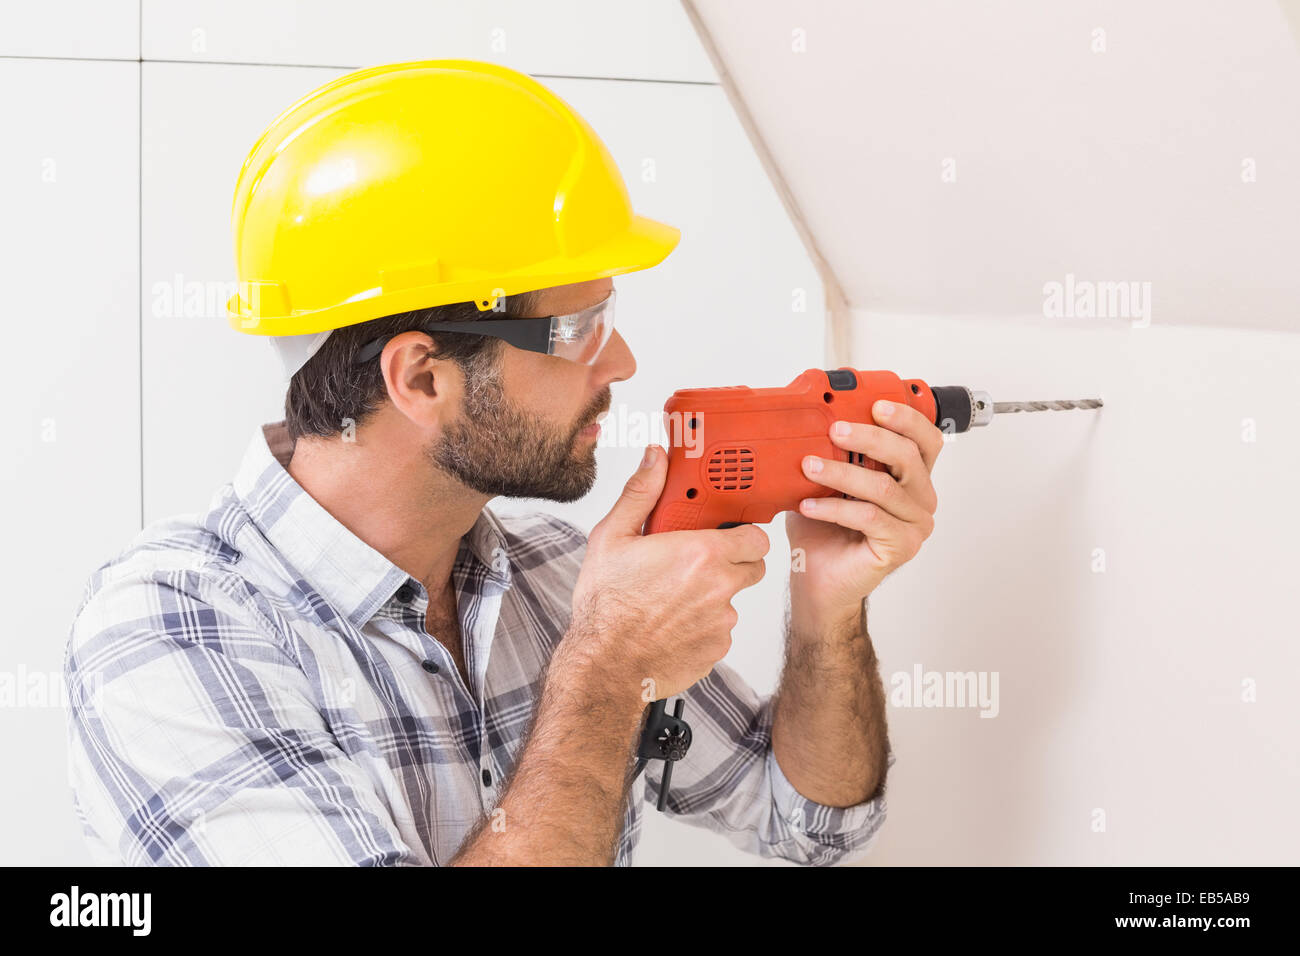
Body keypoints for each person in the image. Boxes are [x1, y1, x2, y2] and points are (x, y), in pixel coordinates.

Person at [64, 60, 942, 866]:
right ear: (421, 377)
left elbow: (808, 818)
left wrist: (828, 609)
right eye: (578, 329)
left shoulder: (557, 577)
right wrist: (606, 670)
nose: (621, 362)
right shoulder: (172, 632)